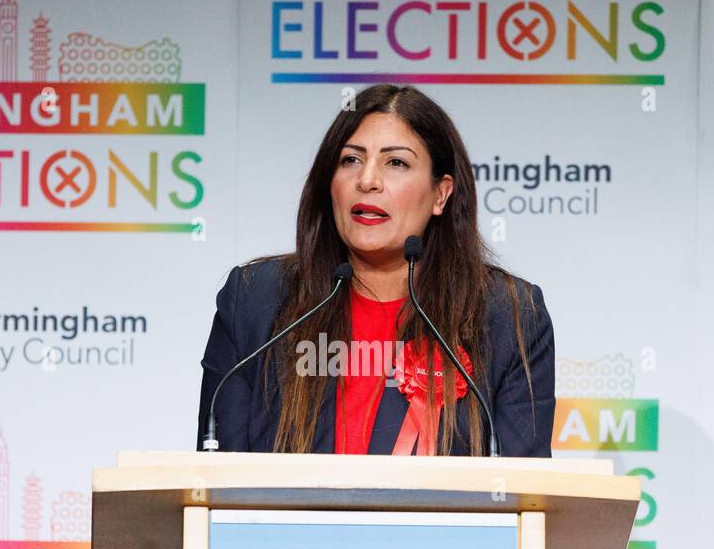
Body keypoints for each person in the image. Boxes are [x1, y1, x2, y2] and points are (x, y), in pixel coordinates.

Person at [198, 84, 554, 457]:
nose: (367, 180)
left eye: (396, 162)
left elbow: (523, 494)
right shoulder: (256, 302)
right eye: (351, 160)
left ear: (441, 194)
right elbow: (214, 478)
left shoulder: (508, 317)